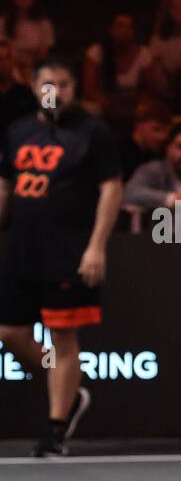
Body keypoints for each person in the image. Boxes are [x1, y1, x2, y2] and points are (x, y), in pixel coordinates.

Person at [0, 60, 123, 456]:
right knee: (10, 332)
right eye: (49, 84)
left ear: (74, 89)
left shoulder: (92, 132)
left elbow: (111, 188)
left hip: (68, 251)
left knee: (63, 337)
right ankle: (69, 389)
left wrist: (96, 246)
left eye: (65, 84)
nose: (57, 91)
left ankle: (56, 428)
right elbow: (5, 183)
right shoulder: (18, 131)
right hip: (21, 247)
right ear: (35, 88)